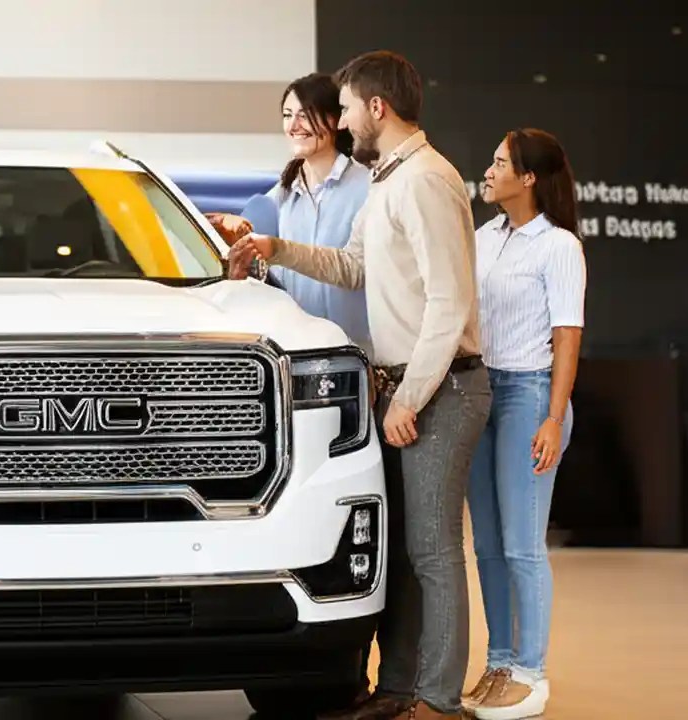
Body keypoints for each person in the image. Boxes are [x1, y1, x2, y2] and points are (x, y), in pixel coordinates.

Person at [225, 50, 492, 720]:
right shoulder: (389, 181)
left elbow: (450, 302)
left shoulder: (428, 180)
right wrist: (273, 247)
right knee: (403, 550)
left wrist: (408, 399)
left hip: (442, 389)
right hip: (403, 387)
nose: (340, 122)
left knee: (433, 551)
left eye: (343, 108)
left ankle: (437, 696)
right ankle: (399, 688)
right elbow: (351, 266)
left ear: (377, 108)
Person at [460, 129, 585, 720]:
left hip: (530, 395)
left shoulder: (558, 246)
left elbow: (567, 335)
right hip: (481, 392)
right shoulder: (483, 237)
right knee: (485, 545)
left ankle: (532, 673)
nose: (488, 170)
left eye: (499, 162)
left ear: (529, 178)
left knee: (522, 545)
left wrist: (554, 418)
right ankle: (500, 660)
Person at [215, 73, 372, 353]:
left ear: (335, 120)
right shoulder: (282, 194)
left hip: (358, 352)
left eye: (305, 115)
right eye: (288, 115)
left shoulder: (368, 187)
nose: (294, 125)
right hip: (299, 351)